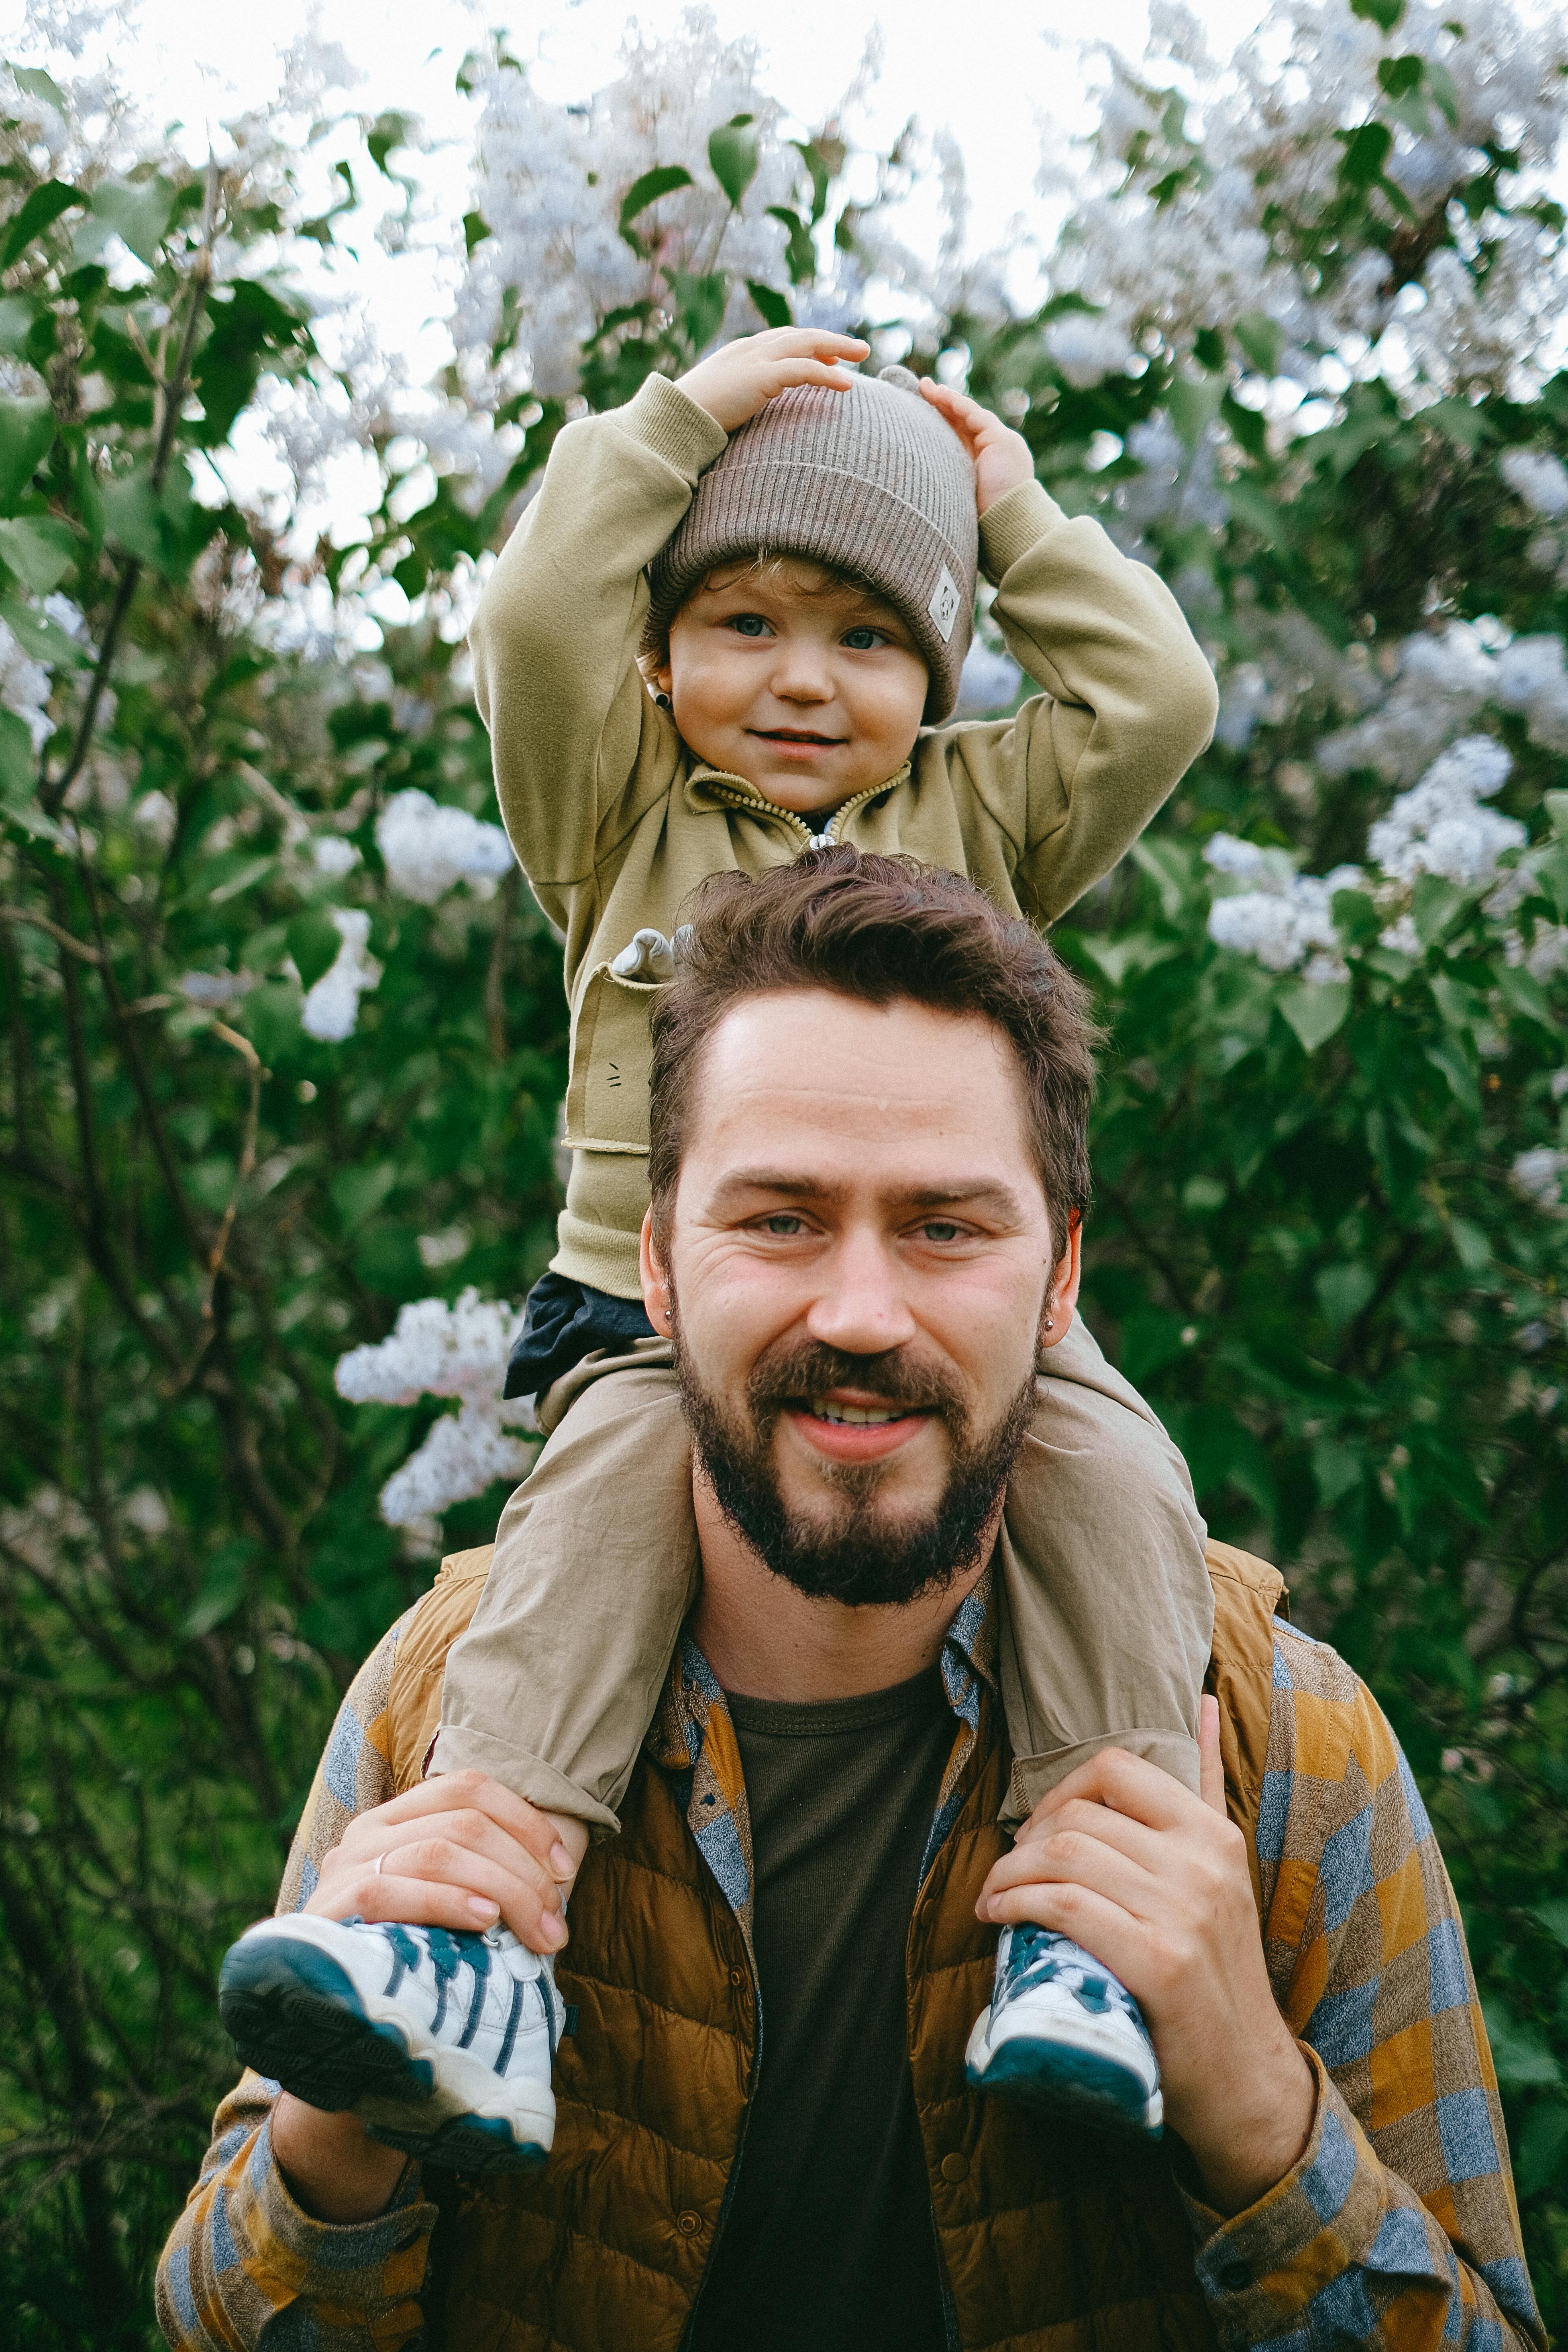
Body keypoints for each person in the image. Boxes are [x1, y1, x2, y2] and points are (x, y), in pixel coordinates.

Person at [161, 854, 1539, 2352]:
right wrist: (337, 2127)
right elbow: (207, 2319)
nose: (862, 1314)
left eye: (946, 1227)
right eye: (778, 1220)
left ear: (1061, 1275)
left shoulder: (1289, 1747)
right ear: (658, 1266)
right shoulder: (445, 1697)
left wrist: (1252, 2101)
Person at [218, 325, 1225, 2158]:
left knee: (1116, 1481)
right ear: (662, 652)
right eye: (743, 621)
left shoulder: (981, 810)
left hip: (958, 1317)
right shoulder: (618, 805)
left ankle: (1090, 1930)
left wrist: (1006, 508)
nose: (801, 678)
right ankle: (481, 1938)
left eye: (868, 640)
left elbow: (1155, 699)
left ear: (935, 673)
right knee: (599, 1516)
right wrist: (678, 420)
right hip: (647, 1310)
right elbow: (534, 617)